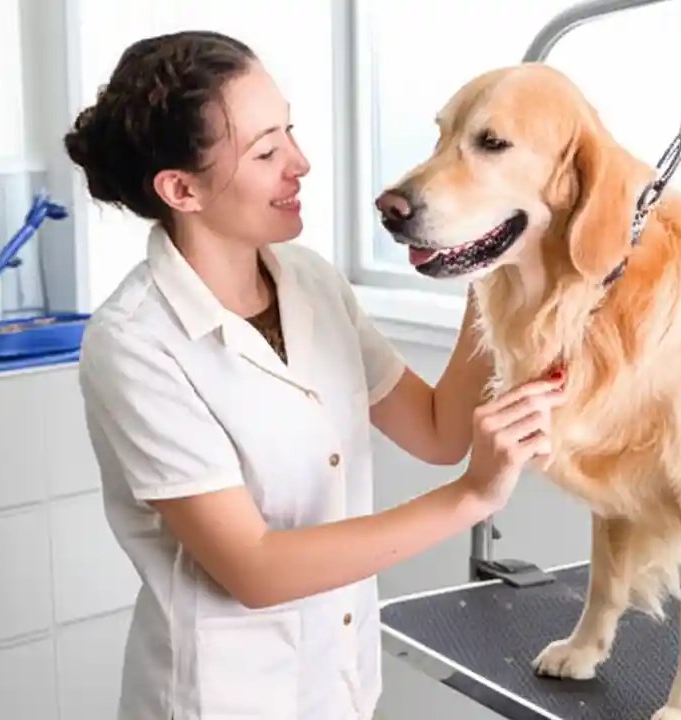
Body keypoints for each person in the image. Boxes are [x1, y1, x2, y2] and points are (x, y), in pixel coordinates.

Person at [64, 30, 566, 720]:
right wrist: (471, 499)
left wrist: (490, 254)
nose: (300, 162)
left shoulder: (311, 284)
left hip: (340, 690)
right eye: (266, 151)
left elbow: (436, 430)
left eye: (290, 132)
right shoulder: (135, 344)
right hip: (223, 701)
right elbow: (255, 568)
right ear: (182, 189)